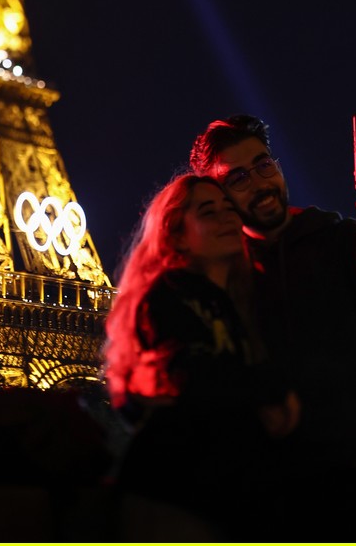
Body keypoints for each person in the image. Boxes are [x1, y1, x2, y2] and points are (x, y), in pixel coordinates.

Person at [189, 113, 356, 537]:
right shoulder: (217, 275)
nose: (261, 182)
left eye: (264, 164)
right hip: (275, 489)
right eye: (239, 178)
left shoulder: (334, 239)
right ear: (219, 197)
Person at [103, 173, 299, 540]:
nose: (228, 218)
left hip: (214, 494)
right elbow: (192, 373)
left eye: (230, 209)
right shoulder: (167, 293)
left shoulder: (237, 305)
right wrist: (271, 391)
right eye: (208, 212)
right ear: (176, 235)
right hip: (173, 491)